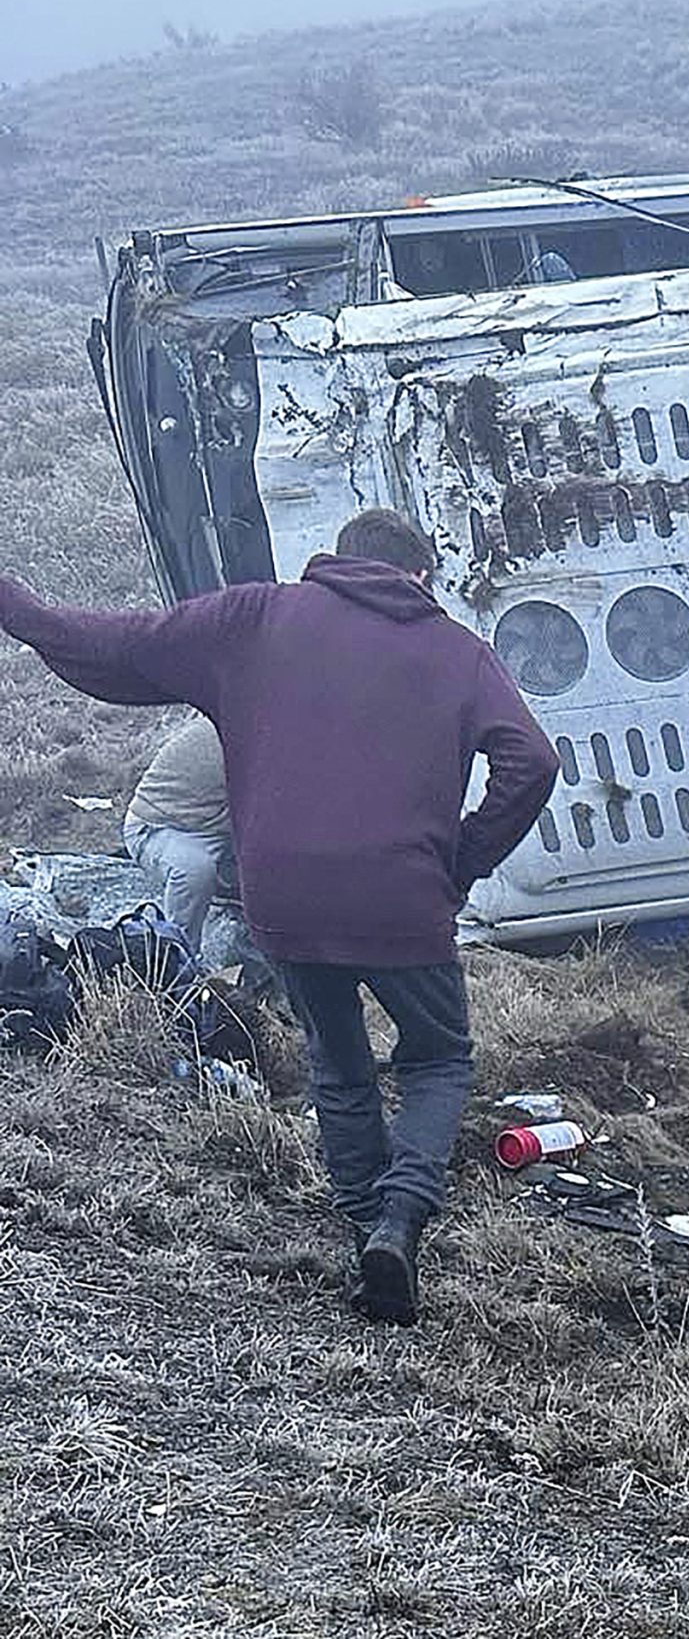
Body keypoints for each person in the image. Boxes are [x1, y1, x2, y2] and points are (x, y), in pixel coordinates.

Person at [0, 509, 559, 1326]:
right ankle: (401, 1220)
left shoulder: (254, 617)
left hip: (285, 894)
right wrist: (464, 859)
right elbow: (533, 761)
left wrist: (17, 605)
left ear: (337, 560)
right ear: (418, 576)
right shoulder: (454, 650)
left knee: (339, 1063)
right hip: (402, 898)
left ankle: (367, 1234)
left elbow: (116, 646)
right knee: (438, 1058)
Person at [122, 713, 235, 950]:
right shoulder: (238, 727)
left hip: (222, 830)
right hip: (163, 826)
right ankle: (178, 955)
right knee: (196, 869)